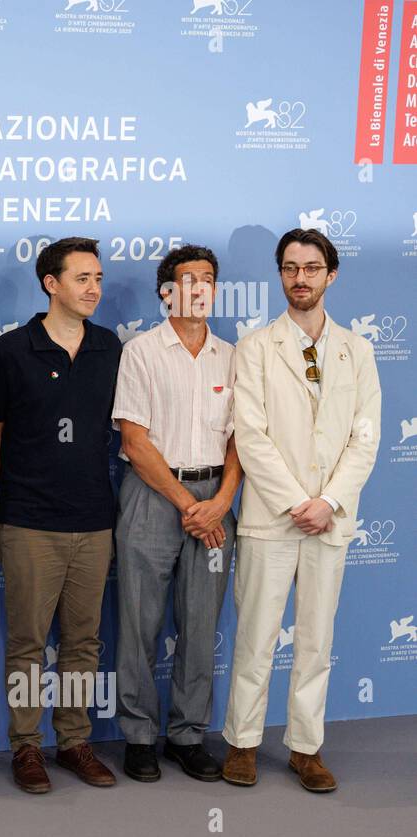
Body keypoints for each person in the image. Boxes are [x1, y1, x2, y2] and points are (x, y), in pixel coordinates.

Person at [222, 228, 381, 792]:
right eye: (290, 268)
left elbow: (364, 438)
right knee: (256, 635)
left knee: (316, 638)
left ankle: (305, 748)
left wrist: (329, 502)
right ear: (280, 275)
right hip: (273, 518)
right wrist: (297, 502)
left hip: (329, 519)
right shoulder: (256, 347)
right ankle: (241, 742)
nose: (300, 278)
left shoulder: (357, 350)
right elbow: (252, 435)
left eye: (311, 268)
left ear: (330, 275)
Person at [0, 236, 122, 794]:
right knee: (28, 644)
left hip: (95, 518)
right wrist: (22, 483)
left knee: (84, 642)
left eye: (99, 278)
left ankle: (74, 741)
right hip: (29, 521)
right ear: (51, 284)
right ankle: (25, 747)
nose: (94, 289)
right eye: (83, 278)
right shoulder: (13, 351)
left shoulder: (110, 347)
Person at [112, 245, 242, 784]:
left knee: (199, 622)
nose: (197, 288)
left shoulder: (234, 356)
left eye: (207, 279)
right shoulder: (141, 352)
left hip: (216, 497)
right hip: (153, 496)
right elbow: (135, 441)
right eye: (186, 280)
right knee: (139, 622)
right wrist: (191, 506)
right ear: (167, 291)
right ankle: (139, 736)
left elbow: (242, 439)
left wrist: (223, 500)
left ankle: (189, 735)